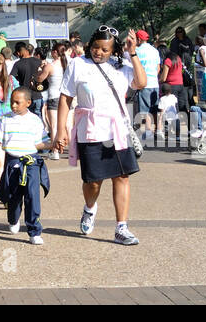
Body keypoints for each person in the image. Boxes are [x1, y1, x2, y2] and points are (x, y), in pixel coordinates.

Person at [55, 26, 148, 245]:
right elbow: (65, 98)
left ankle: (121, 228)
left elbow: (141, 83)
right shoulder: (78, 65)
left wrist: (132, 53)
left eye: (105, 49)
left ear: (113, 49)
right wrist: (61, 130)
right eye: (96, 47)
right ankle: (89, 208)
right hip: (90, 129)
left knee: (122, 176)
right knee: (93, 181)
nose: (99, 52)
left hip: (117, 130)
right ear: (89, 46)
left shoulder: (122, 66)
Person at [0, 89, 51, 244]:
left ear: (28, 103)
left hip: (31, 162)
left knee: (32, 196)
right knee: (13, 196)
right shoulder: (4, 119)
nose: (13, 105)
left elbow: (40, 142)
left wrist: (53, 144)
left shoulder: (35, 120)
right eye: (12, 101)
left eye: (17, 102)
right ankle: (13, 219)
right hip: (12, 162)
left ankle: (34, 231)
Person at [41, 42, 69, 153]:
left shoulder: (50, 66)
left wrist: (40, 70)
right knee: (68, 125)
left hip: (53, 97)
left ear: (55, 52)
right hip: (66, 97)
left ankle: (55, 151)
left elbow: (40, 79)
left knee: (54, 126)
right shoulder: (67, 64)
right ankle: (72, 150)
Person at [133, 30, 162, 138]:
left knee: (144, 110)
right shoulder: (155, 51)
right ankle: (157, 131)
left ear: (139, 39)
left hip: (144, 83)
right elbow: (158, 68)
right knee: (154, 108)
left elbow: (135, 67)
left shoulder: (137, 51)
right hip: (154, 83)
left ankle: (148, 132)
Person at [11, 43, 45, 119]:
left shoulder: (17, 64)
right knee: (38, 121)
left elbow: (11, 78)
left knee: (25, 120)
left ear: (19, 53)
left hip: (24, 97)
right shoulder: (39, 62)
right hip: (37, 96)